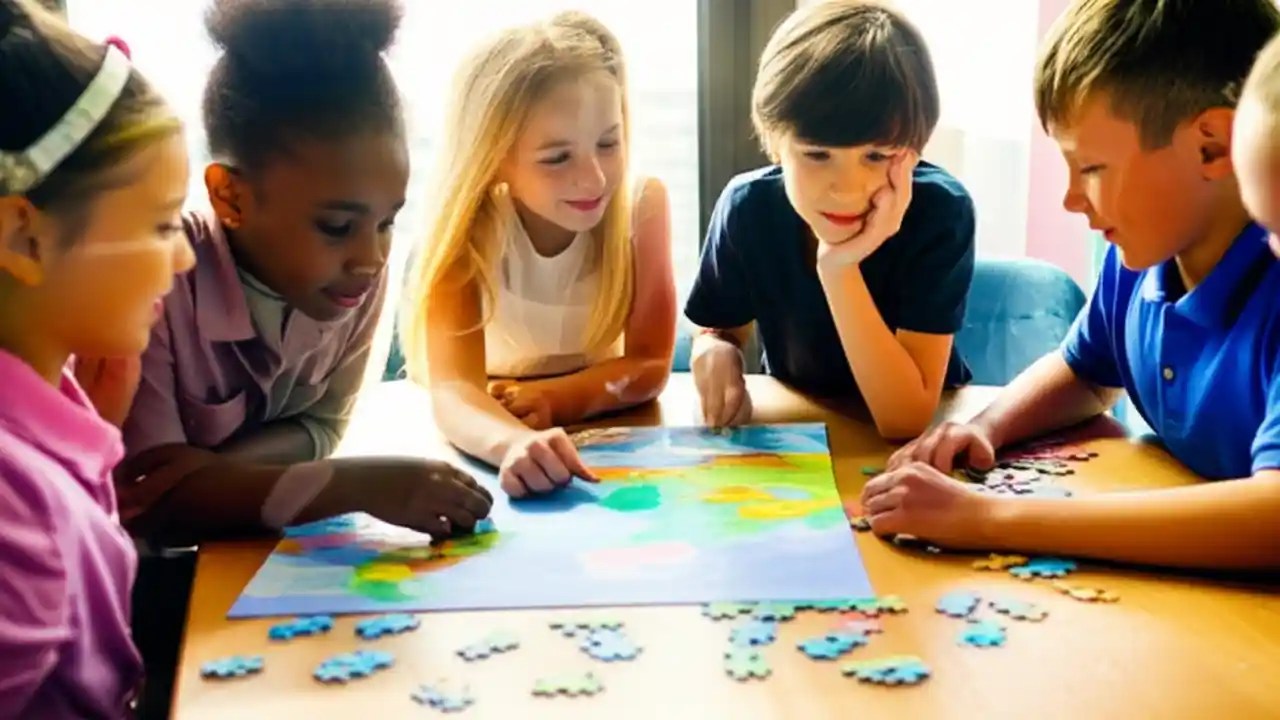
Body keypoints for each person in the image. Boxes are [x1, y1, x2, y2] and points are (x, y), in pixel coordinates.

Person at [865, 0, 1280, 572]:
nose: (1070, 198)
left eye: (1090, 168)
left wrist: (987, 518)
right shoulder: (1137, 259)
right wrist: (984, 427)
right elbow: (1084, 372)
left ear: (1211, 146)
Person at [0, 1, 193, 714]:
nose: (184, 256)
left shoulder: (59, 400)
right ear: (25, 238)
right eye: (162, 224)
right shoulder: (11, 507)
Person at [400, 11, 677, 498]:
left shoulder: (641, 207)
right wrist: (513, 442)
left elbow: (651, 363)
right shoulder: (470, 229)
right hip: (480, 436)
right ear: (493, 157)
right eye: (557, 158)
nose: (594, 178)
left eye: (608, 143)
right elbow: (455, 391)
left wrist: (556, 399)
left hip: (597, 436)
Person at [684, 0, 976, 439]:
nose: (847, 188)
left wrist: (838, 268)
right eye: (817, 155)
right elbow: (719, 329)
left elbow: (903, 419)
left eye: (877, 155)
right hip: (802, 430)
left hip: (909, 446)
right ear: (775, 143)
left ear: (914, 151)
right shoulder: (748, 208)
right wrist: (713, 348)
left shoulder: (941, 212)